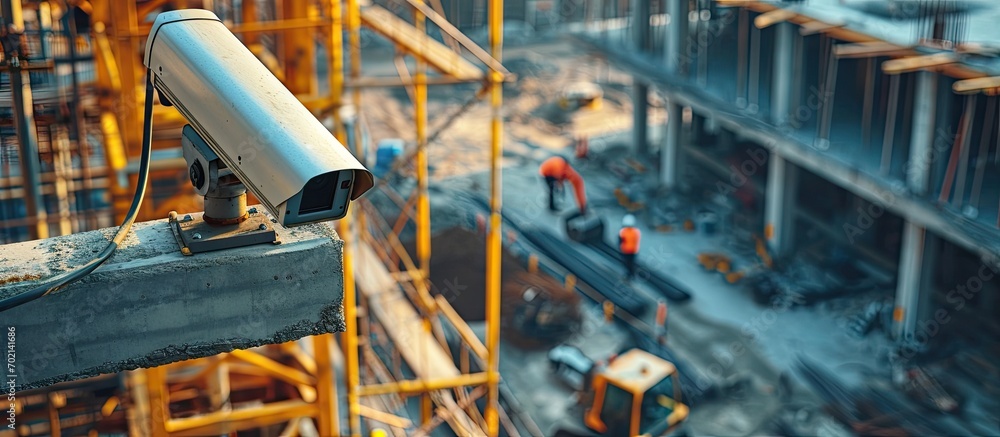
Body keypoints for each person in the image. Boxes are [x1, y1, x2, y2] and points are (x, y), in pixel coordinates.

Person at [619, 214, 641, 280]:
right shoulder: (636, 231)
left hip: (626, 251)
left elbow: (620, 241)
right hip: (634, 251)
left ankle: (629, 275)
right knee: (631, 264)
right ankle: (632, 274)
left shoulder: (623, 231)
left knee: (627, 263)